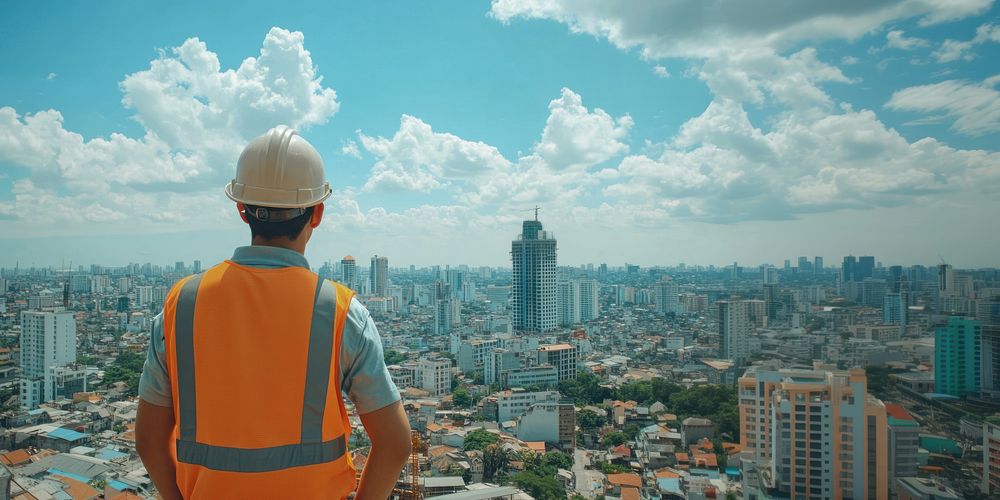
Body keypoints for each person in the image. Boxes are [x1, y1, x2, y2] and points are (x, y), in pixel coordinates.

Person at [135, 125, 411, 499]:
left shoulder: (181, 305)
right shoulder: (341, 313)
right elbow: (395, 444)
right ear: (317, 213)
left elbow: (149, 440)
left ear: (241, 210)